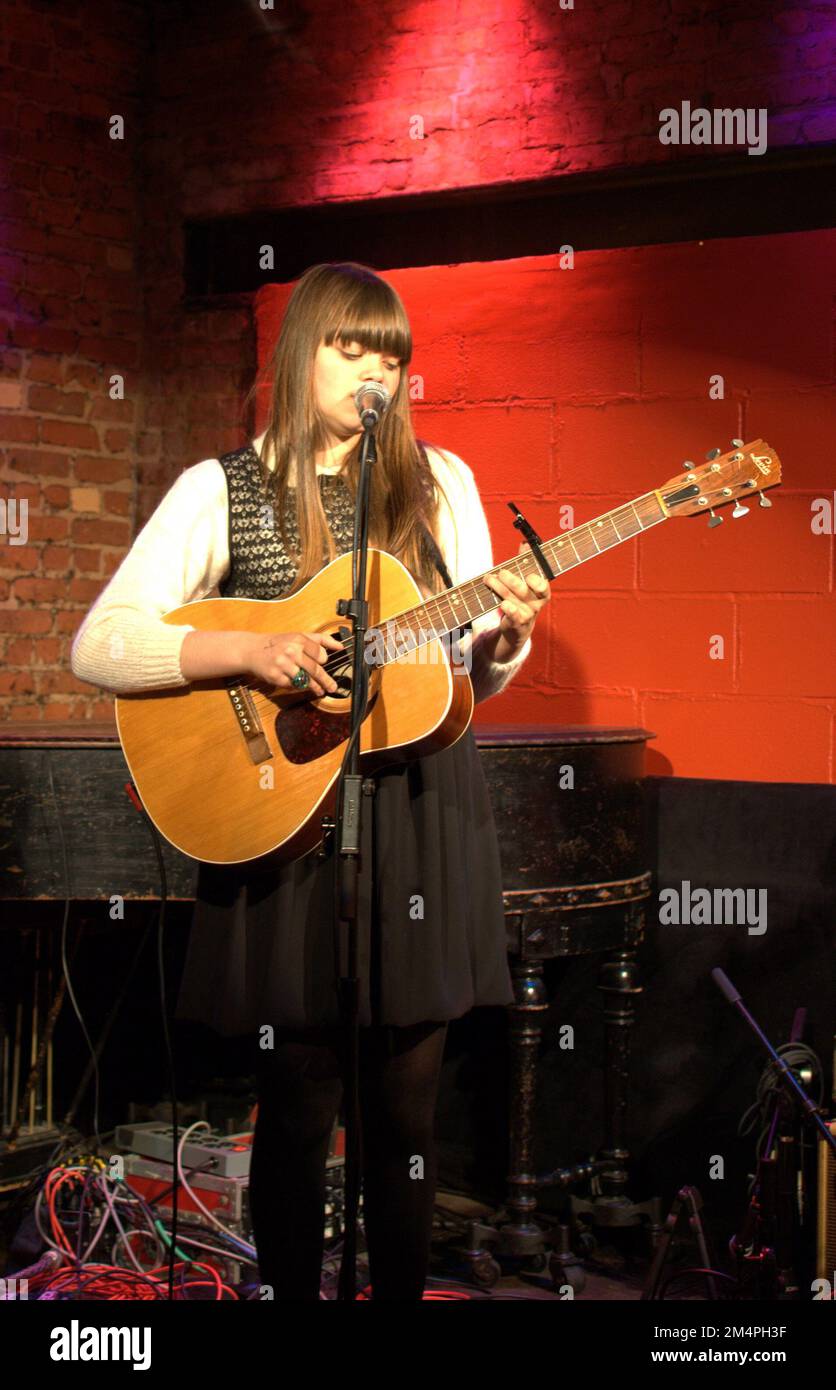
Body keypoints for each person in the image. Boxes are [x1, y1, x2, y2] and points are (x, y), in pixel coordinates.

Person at [71, 261, 550, 1300]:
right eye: (351, 345)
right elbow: (102, 642)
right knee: (294, 1099)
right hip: (284, 809)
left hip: (420, 809)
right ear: (302, 352)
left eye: (391, 353)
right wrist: (250, 654)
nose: (374, 368)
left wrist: (507, 631)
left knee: (409, 1111)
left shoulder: (443, 483)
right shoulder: (221, 488)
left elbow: (464, 674)